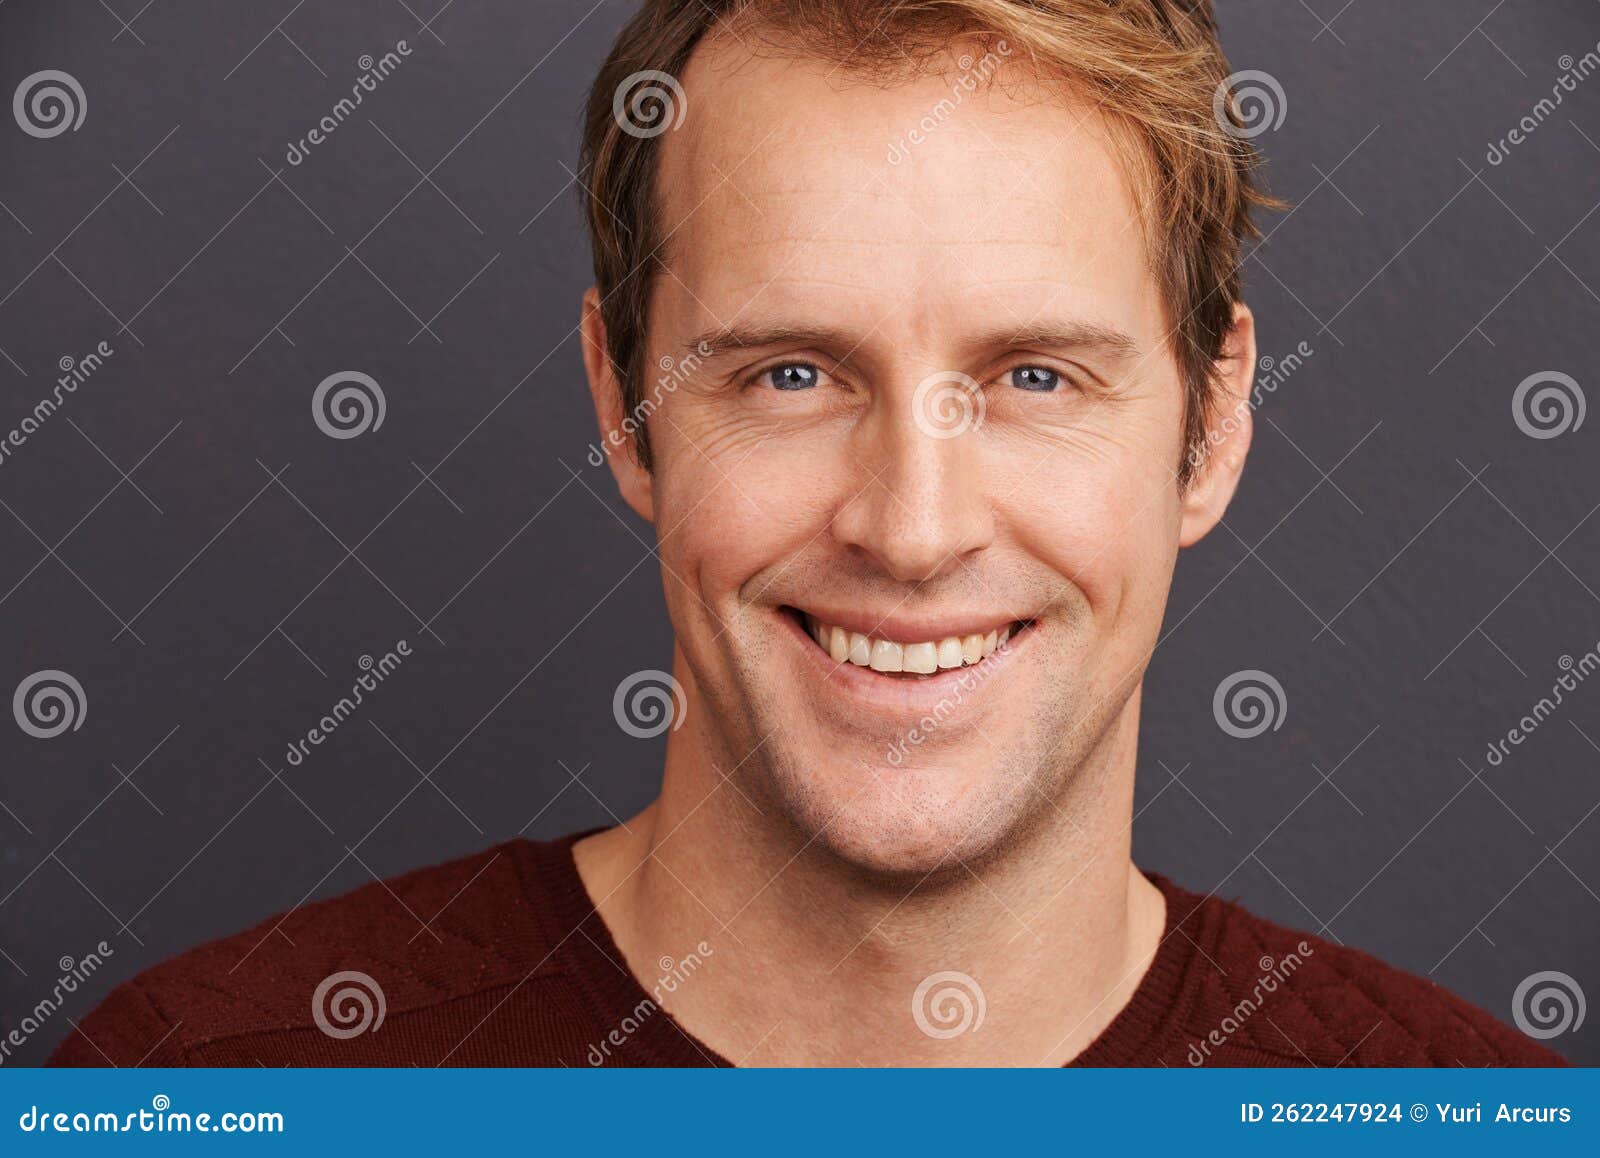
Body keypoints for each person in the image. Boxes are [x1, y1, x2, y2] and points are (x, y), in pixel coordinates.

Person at [54, 0, 1560, 1067]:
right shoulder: (200, 1088)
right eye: (790, 373)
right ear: (625, 403)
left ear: (1212, 423)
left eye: (1033, 376)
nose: (912, 528)